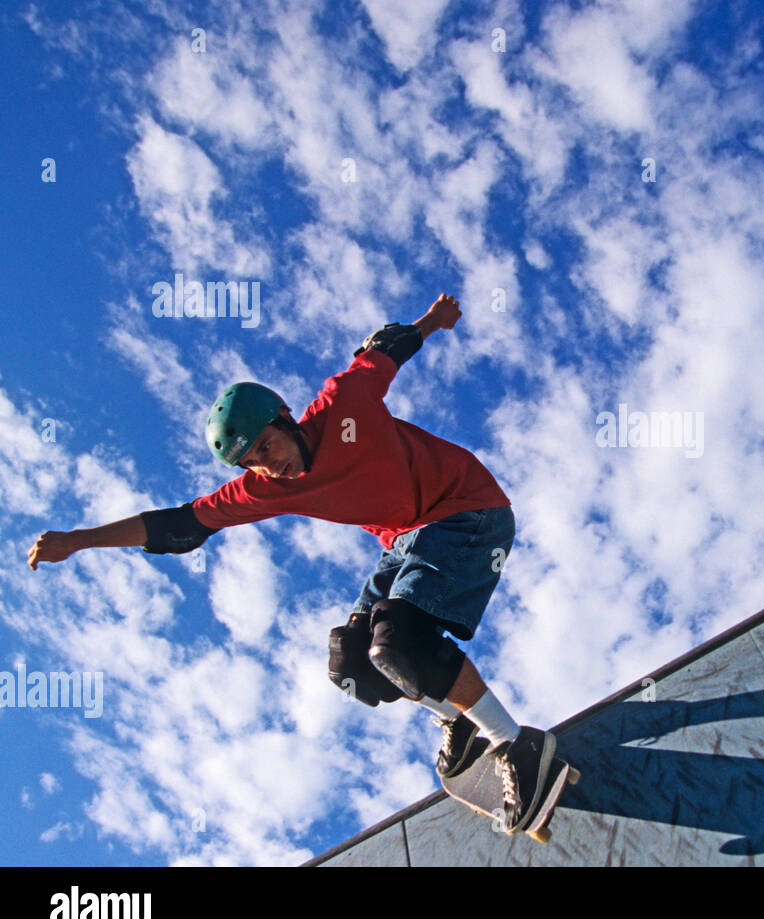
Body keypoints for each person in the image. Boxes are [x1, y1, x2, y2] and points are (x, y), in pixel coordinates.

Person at [26, 294, 553, 832]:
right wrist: (79, 540)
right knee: (352, 663)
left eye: (266, 446)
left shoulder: (343, 402)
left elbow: (386, 349)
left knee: (401, 641)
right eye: (252, 460)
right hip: (405, 542)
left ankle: (514, 742)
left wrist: (434, 321)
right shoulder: (262, 489)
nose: (268, 465)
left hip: (469, 509)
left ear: (284, 417)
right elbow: (179, 525)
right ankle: (456, 720)